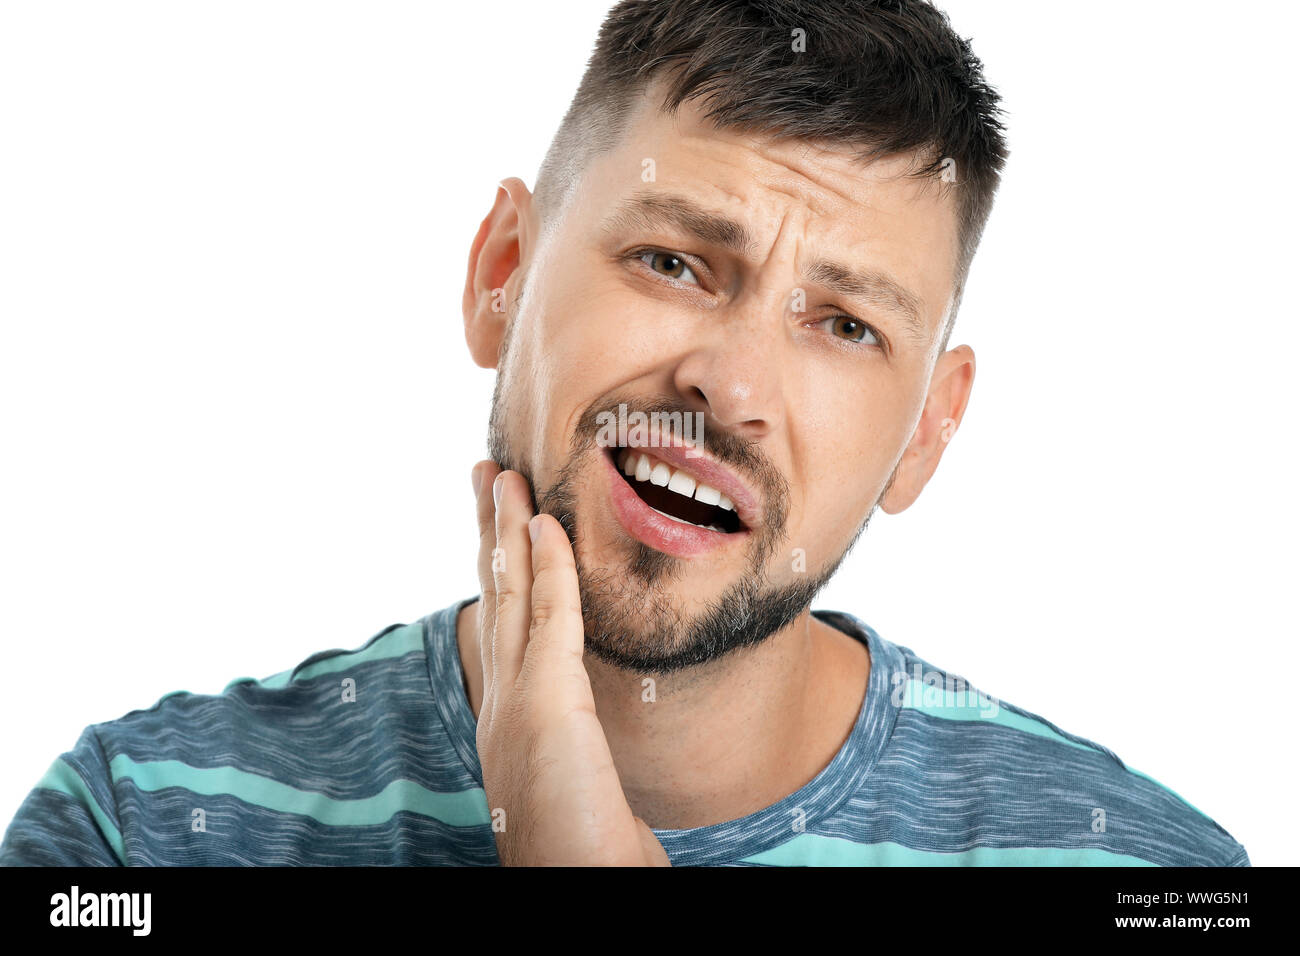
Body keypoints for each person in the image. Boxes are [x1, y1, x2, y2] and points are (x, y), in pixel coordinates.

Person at [1, 0, 1248, 866]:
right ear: (502, 271)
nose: (731, 384)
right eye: (674, 261)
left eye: (845, 324)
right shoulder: (137, 829)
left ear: (927, 431)